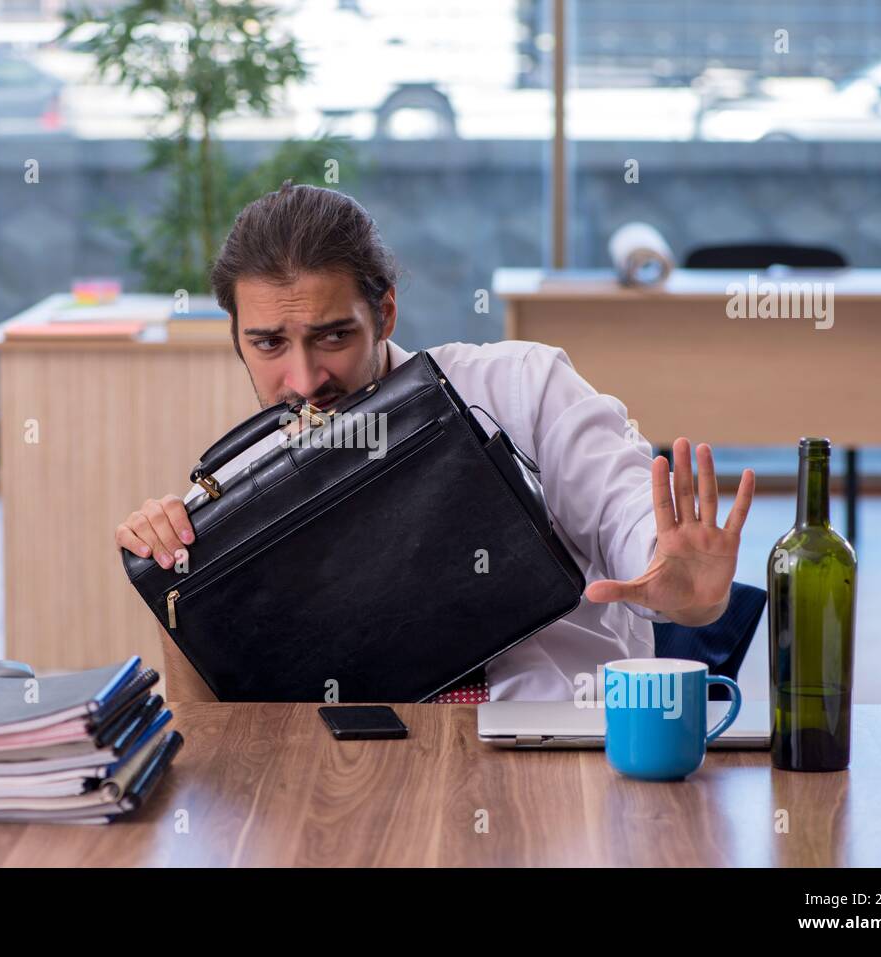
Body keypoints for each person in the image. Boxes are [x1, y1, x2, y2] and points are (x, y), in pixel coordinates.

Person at [116, 182, 755, 702]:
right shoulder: (244, 489)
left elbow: (625, 509)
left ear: (385, 314)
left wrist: (673, 578)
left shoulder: (523, 384)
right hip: (359, 776)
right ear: (236, 335)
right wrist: (182, 576)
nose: (306, 379)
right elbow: (212, 722)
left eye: (334, 336)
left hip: (558, 759)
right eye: (269, 344)